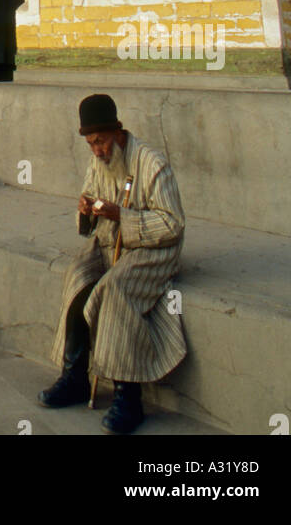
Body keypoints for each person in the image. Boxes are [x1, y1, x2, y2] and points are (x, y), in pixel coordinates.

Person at [38, 93, 186, 434]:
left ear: (118, 133)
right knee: (77, 277)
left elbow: (173, 225)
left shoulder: (152, 163)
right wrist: (86, 210)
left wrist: (123, 215)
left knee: (115, 289)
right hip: (110, 243)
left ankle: (128, 398)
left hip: (153, 250)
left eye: (101, 141)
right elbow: (89, 214)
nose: (97, 151)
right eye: (91, 144)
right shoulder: (98, 163)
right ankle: (75, 378)